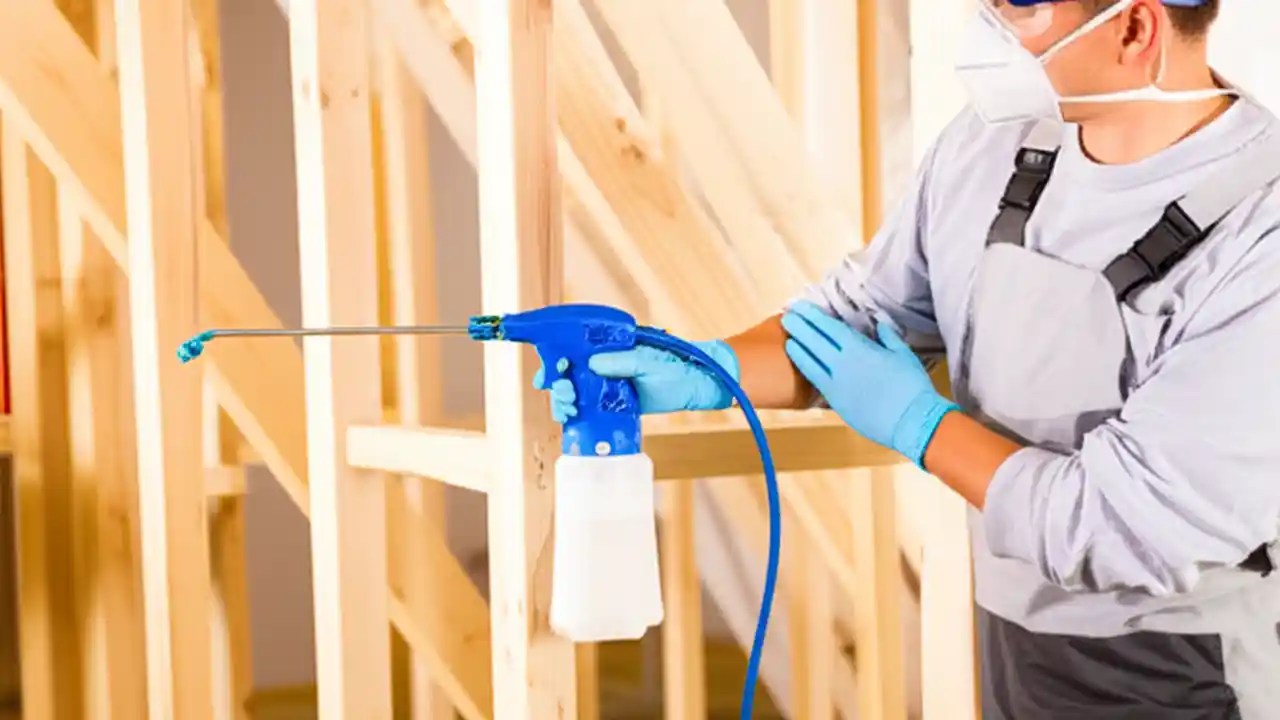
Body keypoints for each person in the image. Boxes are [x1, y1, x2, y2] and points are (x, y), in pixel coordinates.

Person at [538, 0, 1280, 716]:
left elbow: (1122, 525)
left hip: (1185, 670)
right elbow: (854, 320)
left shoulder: (1259, 237)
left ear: (1136, 26)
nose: (988, 26)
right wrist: (705, 369)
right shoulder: (993, 149)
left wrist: (922, 426)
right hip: (1011, 642)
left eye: (1021, 4)